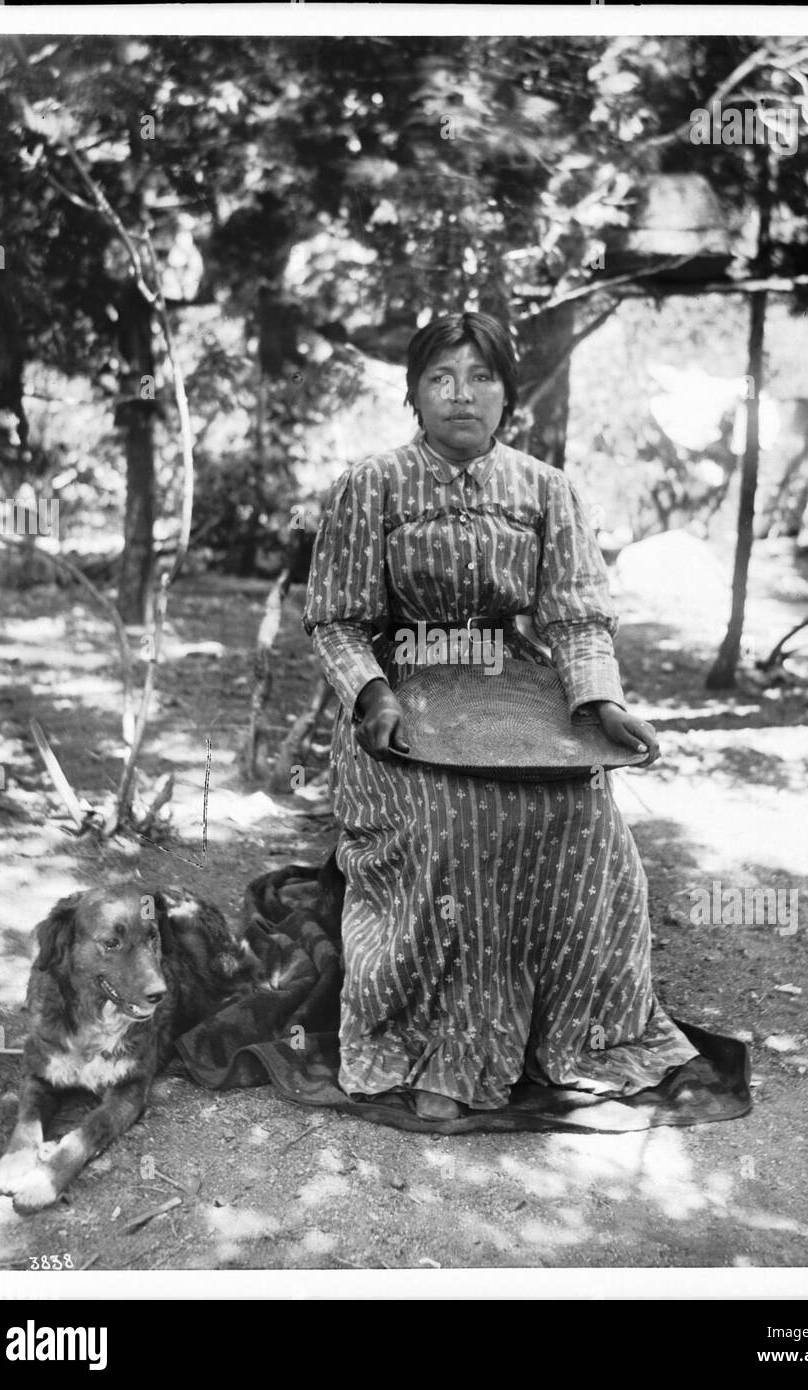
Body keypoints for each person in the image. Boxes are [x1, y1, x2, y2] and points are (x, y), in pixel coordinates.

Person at [303, 310, 699, 1121]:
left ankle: (580, 1037)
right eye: (442, 378)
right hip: (405, 690)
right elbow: (337, 621)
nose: (462, 395)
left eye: (481, 377)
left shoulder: (546, 489)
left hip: (518, 693)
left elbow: (578, 617)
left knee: (587, 822)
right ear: (414, 394)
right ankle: (436, 1047)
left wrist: (602, 703)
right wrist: (372, 692)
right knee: (456, 826)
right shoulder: (368, 485)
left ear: (508, 396)